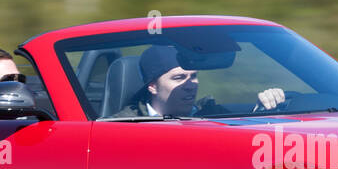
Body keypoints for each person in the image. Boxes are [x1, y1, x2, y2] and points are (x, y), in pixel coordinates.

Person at [112, 45, 284, 118]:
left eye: (193, 76)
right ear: (152, 86)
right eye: (178, 78)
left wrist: (263, 108)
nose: (191, 85)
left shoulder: (212, 114)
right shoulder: (123, 126)